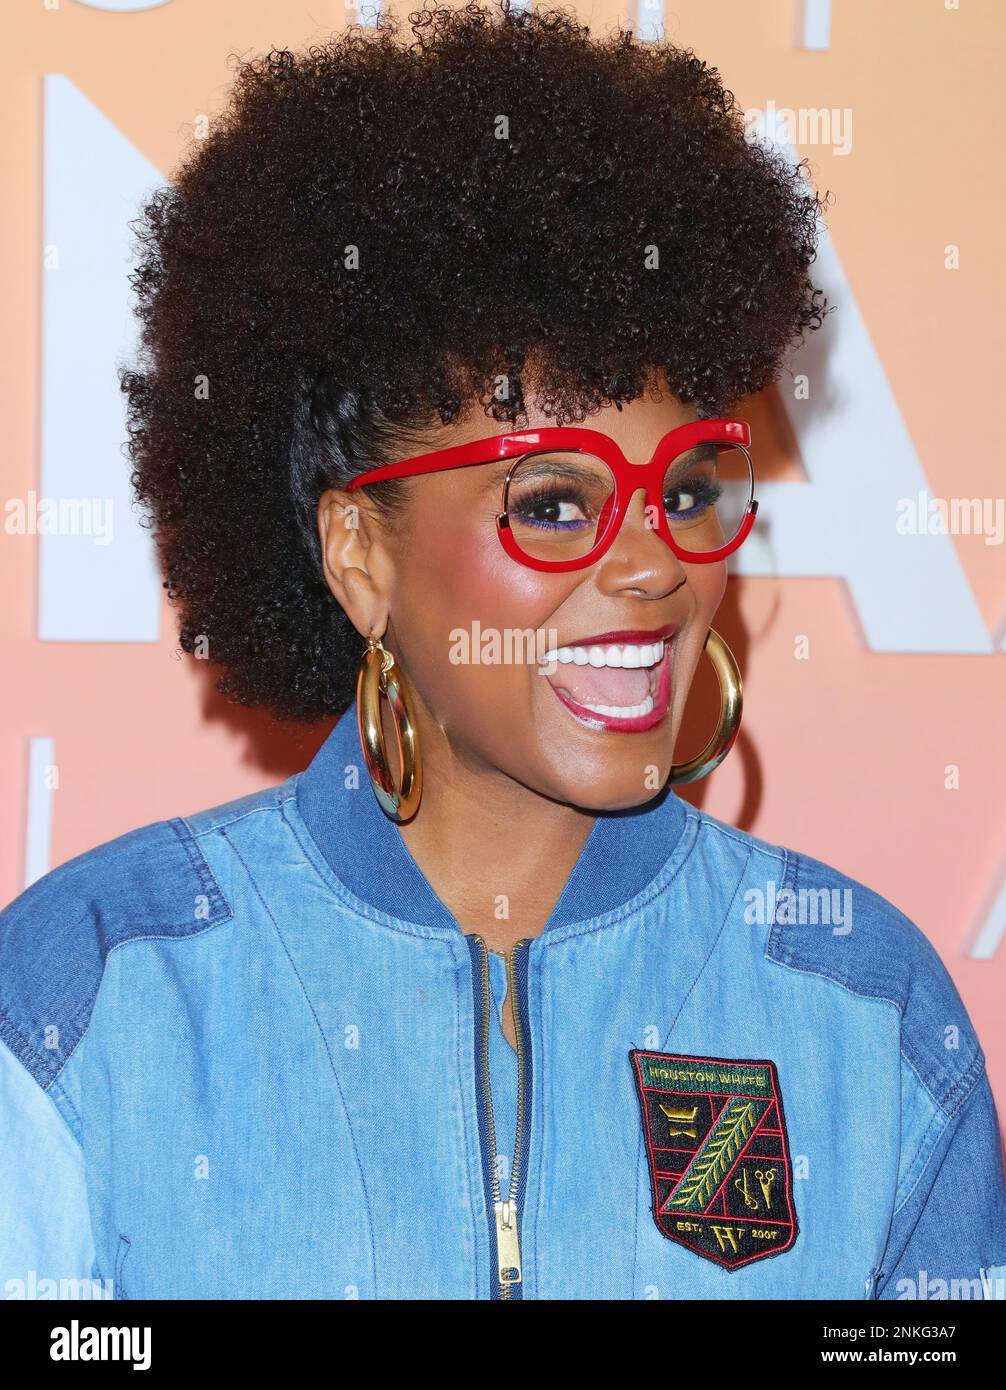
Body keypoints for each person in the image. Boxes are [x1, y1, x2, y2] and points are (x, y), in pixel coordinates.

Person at [2, 0, 1004, 1301]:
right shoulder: (90, 995)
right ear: (361, 556)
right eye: (551, 504)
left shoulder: (862, 1007)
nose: (652, 564)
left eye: (687, 486)